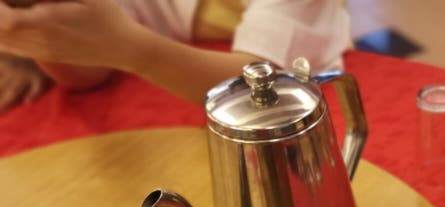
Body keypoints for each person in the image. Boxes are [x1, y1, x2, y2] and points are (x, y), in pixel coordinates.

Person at [0, 0, 351, 111]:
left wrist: (131, 49)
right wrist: (39, 28)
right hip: (174, 101)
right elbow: (90, 73)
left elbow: (260, 93)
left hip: (312, 103)